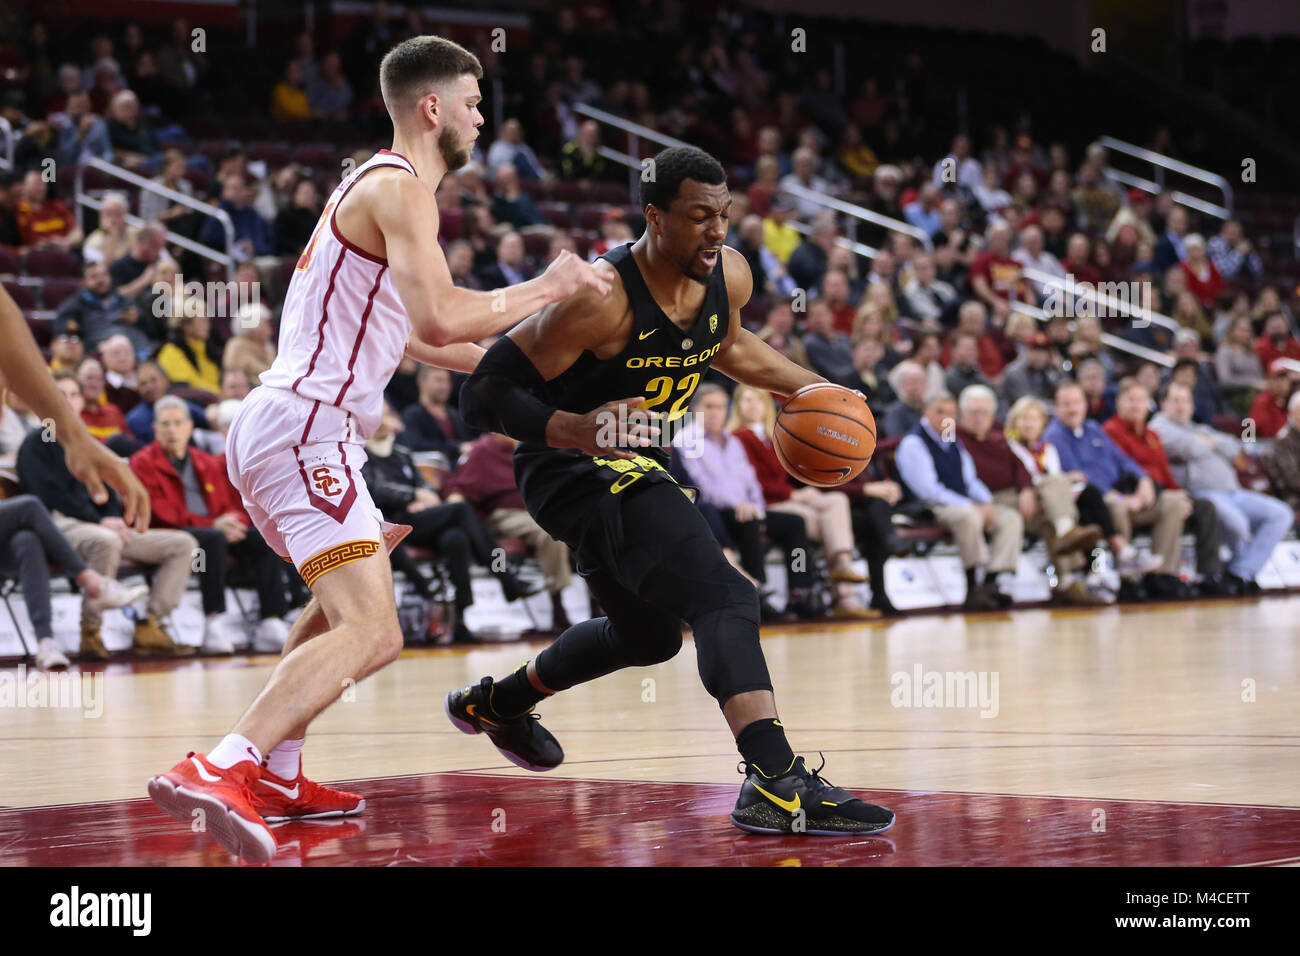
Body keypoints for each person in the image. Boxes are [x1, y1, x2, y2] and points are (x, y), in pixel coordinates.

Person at [146, 35, 610, 863]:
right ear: (432, 107)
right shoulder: (400, 189)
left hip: (289, 424)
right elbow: (439, 318)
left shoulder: (376, 189)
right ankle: (218, 767)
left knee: (335, 608)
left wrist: (552, 390)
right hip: (306, 427)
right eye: (471, 101)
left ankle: (278, 776)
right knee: (376, 630)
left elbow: (427, 342)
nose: (480, 115)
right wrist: (551, 286)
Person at [455, 146, 895, 837]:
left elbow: (726, 345)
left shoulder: (730, 276)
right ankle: (776, 783)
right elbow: (479, 396)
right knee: (725, 593)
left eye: (724, 214)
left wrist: (807, 388)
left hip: (632, 459)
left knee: (650, 636)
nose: (718, 230)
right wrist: (575, 427)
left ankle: (498, 703)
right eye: (699, 217)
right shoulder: (599, 302)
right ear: (655, 217)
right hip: (570, 467)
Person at [18, 376, 198, 659]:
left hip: (100, 527)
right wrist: (99, 521)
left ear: (81, 401)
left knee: (184, 544)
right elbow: (48, 496)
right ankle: (90, 631)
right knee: (106, 541)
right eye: (61, 395)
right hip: (57, 525)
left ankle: (152, 624)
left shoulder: (88, 444)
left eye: (74, 394)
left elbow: (108, 489)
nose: (68, 400)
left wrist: (115, 518)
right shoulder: (36, 443)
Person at [362, 403, 536, 643]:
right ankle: (505, 576)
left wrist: (427, 495)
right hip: (393, 525)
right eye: (376, 416)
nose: (382, 421)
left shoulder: (400, 452)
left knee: (457, 538)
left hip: (420, 519)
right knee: (462, 510)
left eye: (385, 415)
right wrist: (412, 496)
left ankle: (462, 621)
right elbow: (374, 490)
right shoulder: (360, 454)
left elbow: (423, 485)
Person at [728, 385, 875, 619]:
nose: (753, 405)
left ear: (766, 404)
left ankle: (841, 563)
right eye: (747, 400)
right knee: (810, 521)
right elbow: (751, 480)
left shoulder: (774, 434)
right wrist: (793, 494)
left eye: (758, 399)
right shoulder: (736, 437)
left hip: (785, 498)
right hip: (764, 502)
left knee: (836, 499)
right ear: (737, 406)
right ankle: (837, 594)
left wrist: (804, 490)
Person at [957, 386, 1106, 605]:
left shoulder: (999, 435)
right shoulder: (953, 436)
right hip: (989, 499)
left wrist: (1026, 488)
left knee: (1052, 508)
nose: (980, 418)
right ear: (961, 414)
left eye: (985, 412)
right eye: (973, 412)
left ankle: (1065, 581)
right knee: (1055, 492)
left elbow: (1020, 464)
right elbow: (933, 440)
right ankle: (1066, 539)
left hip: (1018, 495)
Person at [1151, 381, 1292, 593]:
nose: (1182, 406)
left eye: (1186, 401)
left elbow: (1234, 447)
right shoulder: (1158, 427)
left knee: (1281, 514)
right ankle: (1235, 572)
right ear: (1163, 403)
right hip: (1202, 493)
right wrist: (1212, 443)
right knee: (1238, 523)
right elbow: (1190, 447)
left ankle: (1240, 572)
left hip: (1234, 492)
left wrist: (1210, 441)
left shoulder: (1200, 428)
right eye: (1175, 401)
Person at [895, 391, 1024, 610]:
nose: (945, 418)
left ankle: (994, 580)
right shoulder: (914, 443)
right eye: (939, 412)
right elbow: (929, 491)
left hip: (960, 503)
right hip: (928, 508)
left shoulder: (951, 440)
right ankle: (974, 584)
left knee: (1009, 517)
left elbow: (970, 480)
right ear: (925, 412)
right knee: (968, 516)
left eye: (951, 414)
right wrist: (971, 505)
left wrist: (986, 502)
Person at [442, 431, 575, 632]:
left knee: (588, 528)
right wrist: (455, 497)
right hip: (504, 514)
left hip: (537, 509)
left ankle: (597, 606)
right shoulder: (483, 449)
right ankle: (558, 606)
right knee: (550, 534)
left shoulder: (531, 445)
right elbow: (460, 485)